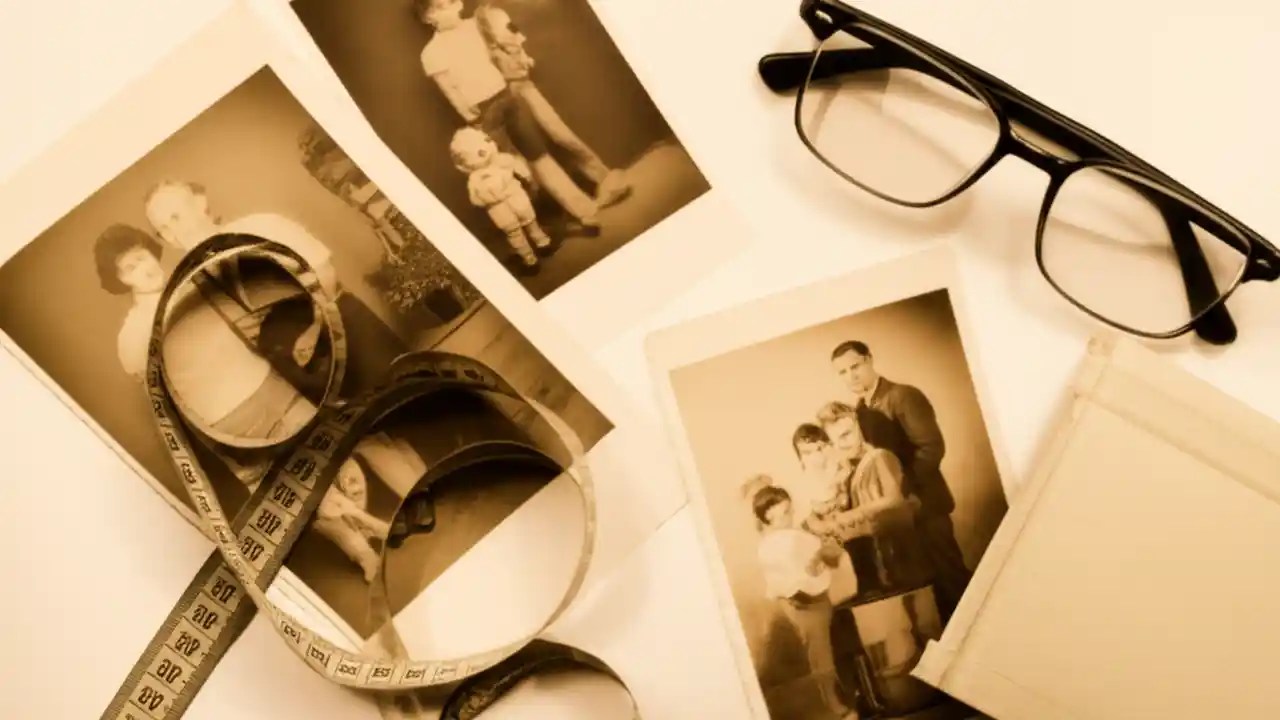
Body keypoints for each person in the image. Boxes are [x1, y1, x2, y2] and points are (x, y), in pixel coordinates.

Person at [413, 0, 602, 230]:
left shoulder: (476, 25)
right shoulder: (432, 53)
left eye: (452, 2)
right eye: (439, 7)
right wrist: (472, 119)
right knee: (512, 170)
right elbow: (449, 89)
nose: (449, 9)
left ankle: (582, 210)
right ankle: (544, 226)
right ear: (427, 17)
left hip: (506, 97)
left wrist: (518, 56)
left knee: (539, 156)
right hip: (483, 113)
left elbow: (507, 39)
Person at [829, 340, 971, 621]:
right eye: (842, 372)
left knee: (952, 583)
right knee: (927, 595)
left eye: (855, 366)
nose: (851, 376)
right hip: (897, 519)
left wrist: (902, 491)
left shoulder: (903, 396)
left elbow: (931, 448)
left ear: (869, 359)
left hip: (925, 506)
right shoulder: (859, 411)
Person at [473, 3, 631, 208]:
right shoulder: (493, 51)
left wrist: (521, 53)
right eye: (502, 26)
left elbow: (519, 54)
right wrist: (514, 54)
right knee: (546, 144)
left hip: (525, 89)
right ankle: (593, 185)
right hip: (514, 95)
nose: (510, 29)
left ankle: (602, 177)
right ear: (489, 31)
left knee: (560, 135)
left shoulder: (507, 40)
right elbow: (508, 66)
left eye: (508, 24)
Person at [748, 477, 858, 720]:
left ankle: (852, 694)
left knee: (836, 645)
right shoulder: (769, 546)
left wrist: (826, 552)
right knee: (821, 653)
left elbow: (822, 559)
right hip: (802, 602)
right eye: (783, 512)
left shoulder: (796, 535)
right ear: (768, 516)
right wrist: (801, 586)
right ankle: (834, 706)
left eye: (790, 509)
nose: (790, 515)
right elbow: (783, 583)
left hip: (821, 596)